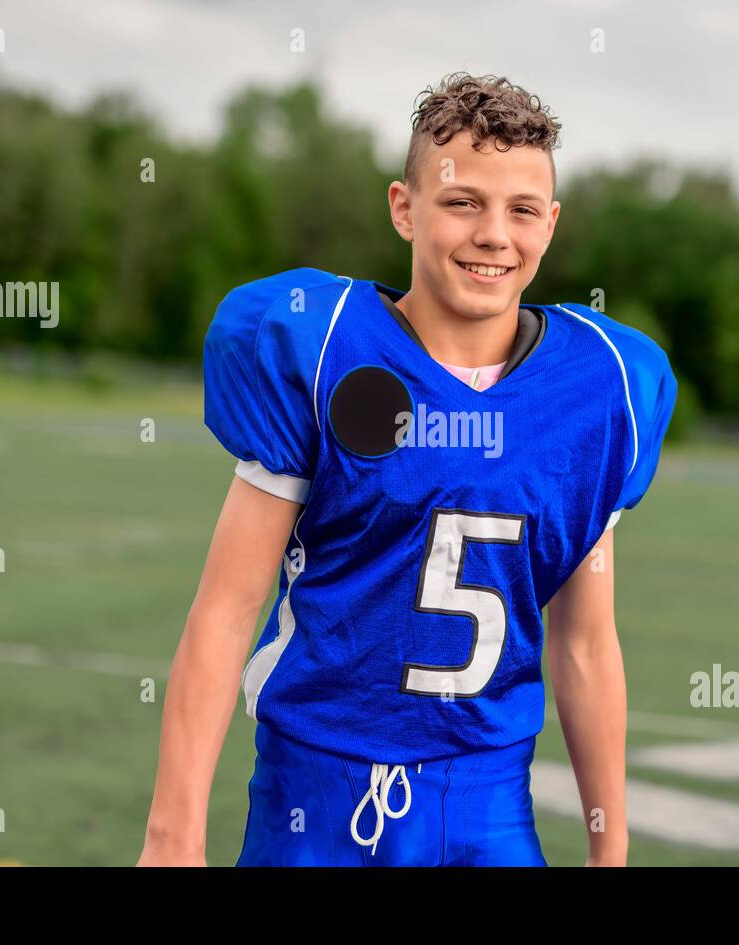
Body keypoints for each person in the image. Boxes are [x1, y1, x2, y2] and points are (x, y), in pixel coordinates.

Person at [138, 72, 678, 867]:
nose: (495, 233)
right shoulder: (323, 349)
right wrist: (173, 837)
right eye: (464, 201)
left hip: (487, 802)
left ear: (551, 224)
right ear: (404, 207)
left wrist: (612, 847)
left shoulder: (596, 388)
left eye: (522, 209)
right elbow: (225, 613)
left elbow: (585, 646)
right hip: (315, 794)